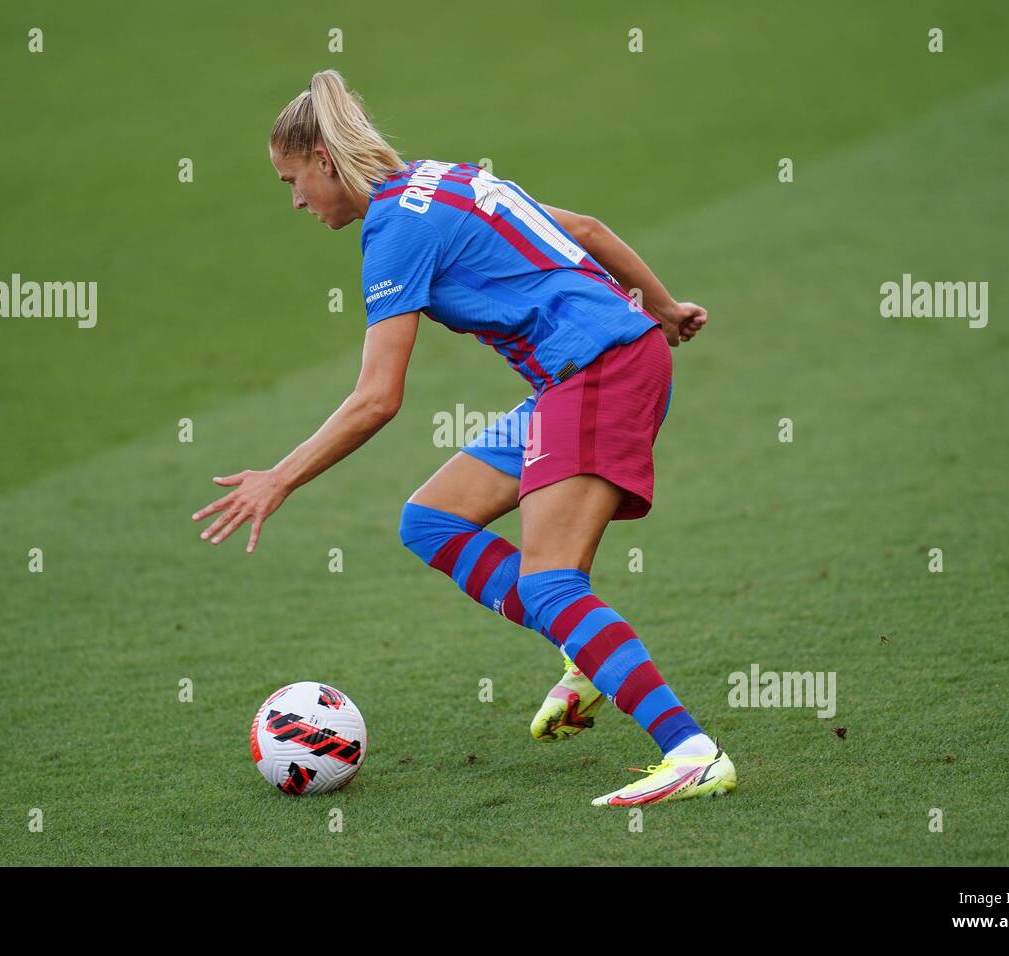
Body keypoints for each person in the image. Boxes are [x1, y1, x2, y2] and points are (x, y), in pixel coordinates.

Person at [193, 70, 735, 806]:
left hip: (597, 370)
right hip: (591, 366)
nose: (294, 199)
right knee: (433, 520)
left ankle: (690, 752)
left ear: (325, 160)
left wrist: (278, 478)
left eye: (293, 180)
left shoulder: (392, 230)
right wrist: (664, 307)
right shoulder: (438, 178)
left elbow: (377, 399)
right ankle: (588, 653)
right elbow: (585, 231)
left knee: (550, 583)